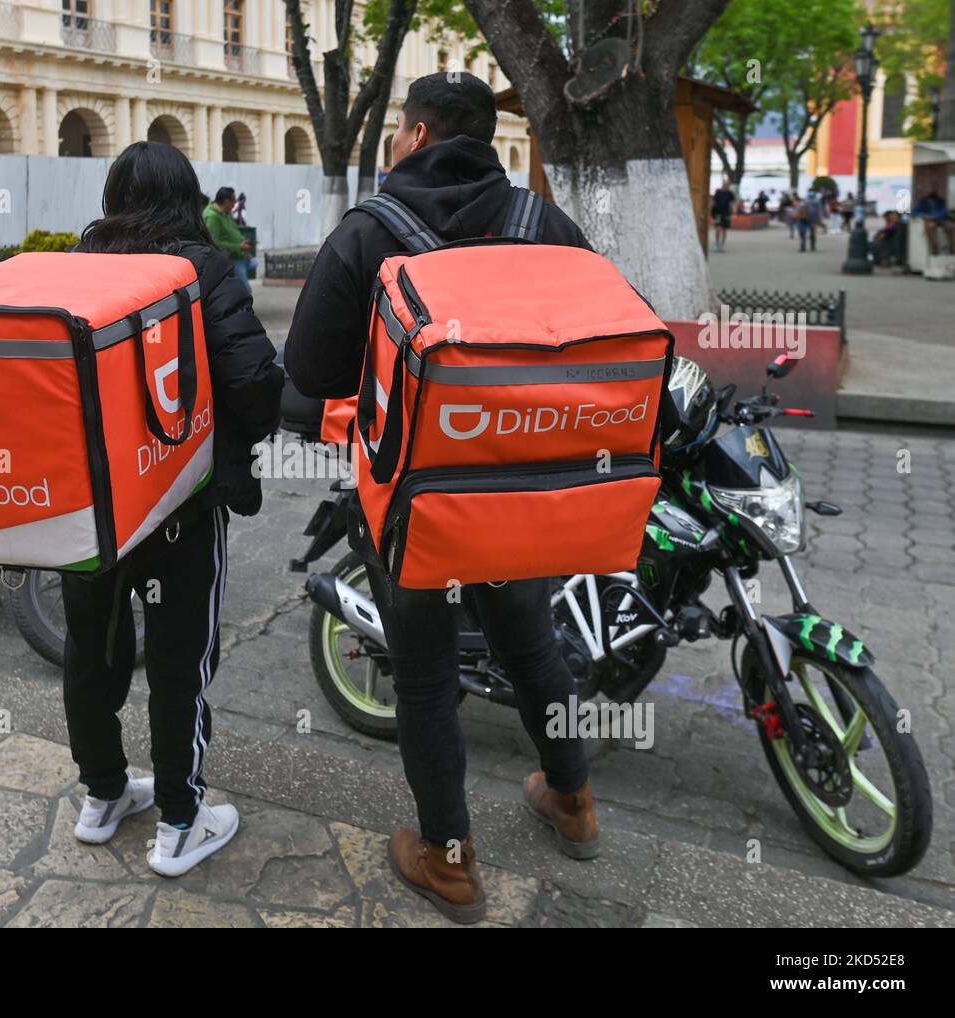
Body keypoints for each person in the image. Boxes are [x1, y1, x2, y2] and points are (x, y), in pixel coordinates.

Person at [285, 71, 596, 925]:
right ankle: (572, 803)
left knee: (423, 679)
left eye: (395, 130)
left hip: (417, 504)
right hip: (526, 493)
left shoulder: (369, 232)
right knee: (533, 647)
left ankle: (449, 863)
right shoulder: (546, 225)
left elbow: (305, 379)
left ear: (416, 137)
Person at [63, 142, 283, 877]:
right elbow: (254, 378)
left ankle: (101, 797)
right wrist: (232, 448)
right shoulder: (199, 268)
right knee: (179, 658)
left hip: (90, 509)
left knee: (92, 649)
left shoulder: (78, 267)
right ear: (188, 195)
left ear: (112, 197)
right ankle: (181, 821)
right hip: (179, 499)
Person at [203, 186, 252, 285]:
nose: (234, 204)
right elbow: (214, 242)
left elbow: (233, 231)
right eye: (233, 201)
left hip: (239, 256)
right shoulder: (213, 217)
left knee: (242, 290)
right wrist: (239, 247)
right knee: (245, 289)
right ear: (226, 201)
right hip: (229, 259)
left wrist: (243, 244)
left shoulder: (226, 212)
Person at [913, 190, 955, 256]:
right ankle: (935, 248)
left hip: (942, 219)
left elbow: (944, 211)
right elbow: (915, 212)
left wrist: (935, 216)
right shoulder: (922, 201)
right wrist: (924, 215)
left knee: (951, 227)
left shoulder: (941, 200)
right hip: (929, 220)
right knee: (930, 227)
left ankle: (952, 248)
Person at [711, 178, 736, 251]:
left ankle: (722, 245)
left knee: (724, 229)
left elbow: (733, 203)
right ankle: (717, 244)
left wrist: (734, 212)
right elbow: (713, 201)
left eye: (727, 184)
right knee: (718, 229)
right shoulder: (718, 192)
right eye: (725, 184)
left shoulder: (730, 193)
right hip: (718, 213)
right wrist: (711, 212)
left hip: (726, 214)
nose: (726, 185)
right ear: (722, 184)